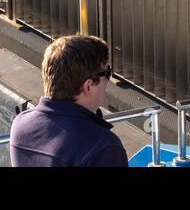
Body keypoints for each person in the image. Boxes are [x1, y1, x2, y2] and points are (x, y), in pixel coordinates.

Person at [9, 35, 128, 167]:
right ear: (88, 86)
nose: (108, 80)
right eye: (107, 72)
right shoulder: (104, 148)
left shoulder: (21, 124)